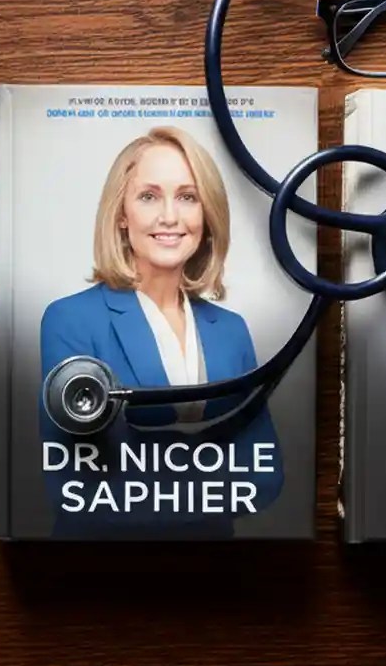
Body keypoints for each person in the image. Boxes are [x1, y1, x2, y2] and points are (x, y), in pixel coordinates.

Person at [38, 126, 284, 539]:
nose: (169, 216)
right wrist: (211, 474)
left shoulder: (231, 331)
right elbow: (73, 485)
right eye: (149, 196)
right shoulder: (71, 320)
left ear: (206, 214)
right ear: (121, 213)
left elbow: (263, 478)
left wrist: (142, 464)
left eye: (187, 197)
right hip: (96, 573)